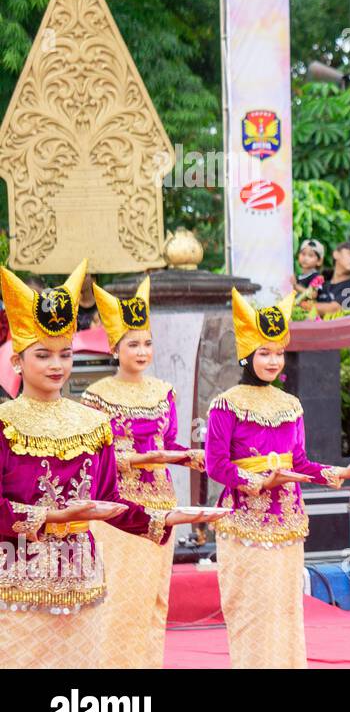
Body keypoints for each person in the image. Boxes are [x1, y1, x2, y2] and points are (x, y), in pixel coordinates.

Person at [0, 261, 218, 668]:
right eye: (43, 354)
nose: (57, 365)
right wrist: (55, 514)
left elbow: (109, 502)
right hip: (15, 585)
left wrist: (166, 517)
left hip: (82, 580)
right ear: (17, 361)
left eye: (65, 354)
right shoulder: (4, 425)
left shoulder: (92, 425)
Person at [206, 290, 350, 667]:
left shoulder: (290, 404)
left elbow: (300, 462)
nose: (272, 361)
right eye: (264, 353)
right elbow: (216, 465)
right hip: (244, 523)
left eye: (278, 352)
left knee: (285, 611)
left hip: (287, 523)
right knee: (251, 610)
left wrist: (341, 471)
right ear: (247, 355)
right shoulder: (227, 403)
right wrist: (260, 483)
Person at [81, 277, 205, 668]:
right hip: (120, 509)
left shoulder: (163, 390)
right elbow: (93, 460)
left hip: (162, 505)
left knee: (155, 596)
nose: (142, 350)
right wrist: (138, 459)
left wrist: (190, 457)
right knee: (120, 594)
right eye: (133, 344)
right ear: (114, 348)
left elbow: (170, 443)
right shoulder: (96, 395)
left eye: (147, 343)